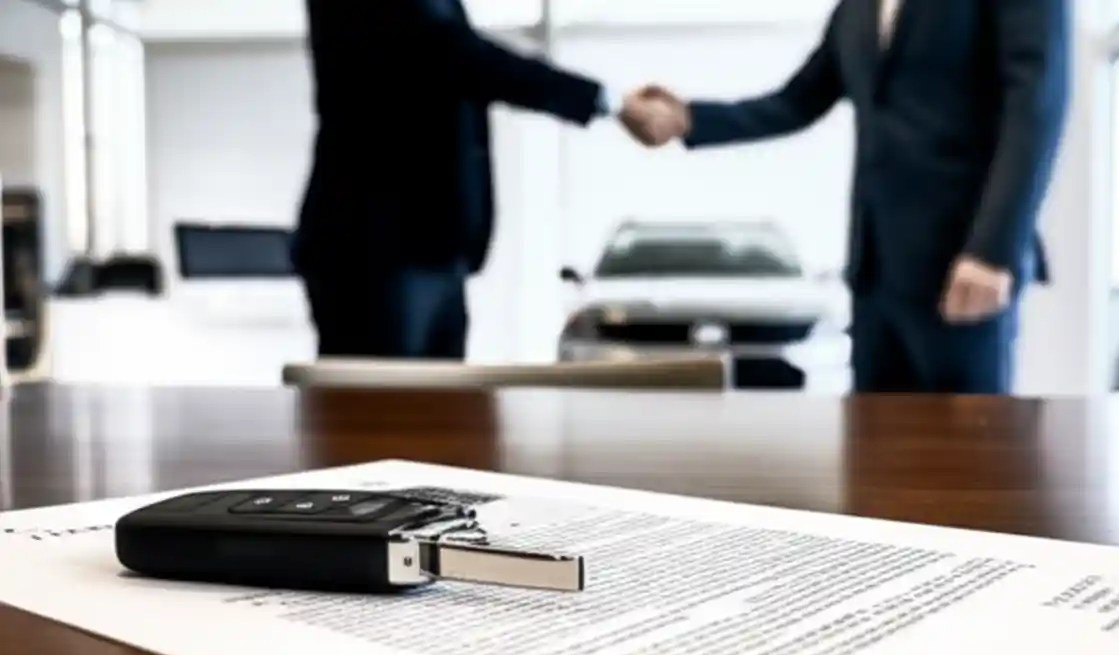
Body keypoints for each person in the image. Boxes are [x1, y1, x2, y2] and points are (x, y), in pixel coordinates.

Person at [632, 0, 1071, 394]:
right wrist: (688, 120)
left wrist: (994, 250)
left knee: (970, 462)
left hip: (961, 267)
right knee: (875, 456)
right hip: (875, 273)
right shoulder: (856, 9)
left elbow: (1037, 106)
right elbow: (796, 101)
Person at [293, 0, 672, 359]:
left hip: (432, 247)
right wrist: (610, 101)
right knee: (380, 414)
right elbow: (457, 56)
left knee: (438, 415)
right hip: (377, 249)